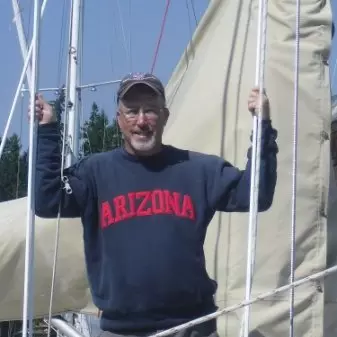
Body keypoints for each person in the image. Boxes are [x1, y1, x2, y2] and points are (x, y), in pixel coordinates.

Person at [32, 72, 278, 337]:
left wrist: (262, 126)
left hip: (192, 328)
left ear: (165, 116)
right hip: (120, 330)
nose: (141, 121)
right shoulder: (94, 173)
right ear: (119, 120)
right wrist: (47, 130)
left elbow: (256, 195)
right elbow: (47, 201)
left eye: (150, 111)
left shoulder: (199, 170)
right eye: (131, 111)